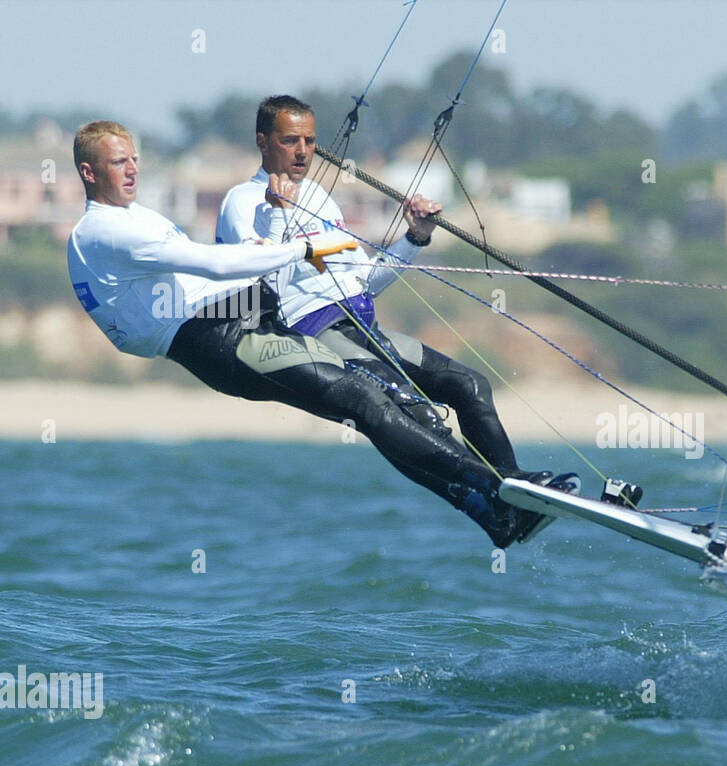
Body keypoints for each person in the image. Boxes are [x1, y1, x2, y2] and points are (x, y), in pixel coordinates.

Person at [66, 119, 564, 548]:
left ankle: (494, 509)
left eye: (134, 159)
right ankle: (498, 488)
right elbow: (208, 263)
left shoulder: (131, 219)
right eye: (118, 163)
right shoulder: (106, 230)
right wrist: (297, 249)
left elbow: (197, 275)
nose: (132, 169)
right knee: (365, 401)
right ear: (89, 172)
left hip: (241, 321)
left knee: (373, 405)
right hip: (219, 340)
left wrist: (267, 254)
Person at [217, 95, 559, 493]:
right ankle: (491, 494)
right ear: (263, 142)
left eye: (310, 141)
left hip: (364, 327)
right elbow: (255, 279)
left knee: (470, 385)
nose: (303, 151)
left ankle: (513, 483)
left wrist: (415, 237)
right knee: (418, 414)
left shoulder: (319, 198)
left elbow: (367, 281)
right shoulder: (241, 202)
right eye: (290, 140)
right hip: (315, 334)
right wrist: (277, 212)